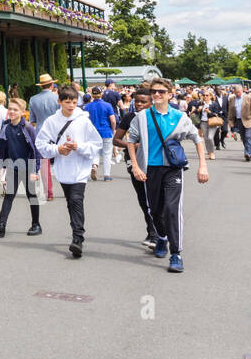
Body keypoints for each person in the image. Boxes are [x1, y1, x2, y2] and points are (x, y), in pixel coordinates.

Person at [125, 77, 208, 273]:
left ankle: (176, 253)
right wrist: (135, 166)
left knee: (172, 209)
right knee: (154, 211)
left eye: (161, 92)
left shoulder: (180, 117)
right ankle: (161, 237)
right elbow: (131, 141)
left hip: (172, 168)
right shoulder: (142, 117)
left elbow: (197, 138)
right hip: (150, 169)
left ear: (170, 95)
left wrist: (202, 165)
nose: (157, 94)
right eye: (154, 91)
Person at [34, 85, 102, 259]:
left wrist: (79, 146)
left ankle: (77, 238)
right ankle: (76, 233)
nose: (71, 105)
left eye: (73, 102)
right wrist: (58, 149)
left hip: (81, 167)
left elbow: (97, 143)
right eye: (67, 102)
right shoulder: (51, 121)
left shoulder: (83, 120)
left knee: (76, 199)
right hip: (63, 168)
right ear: (59, 102)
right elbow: (40, 144)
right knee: (70, 202)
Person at [114, 84, 160, 250]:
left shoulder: (156, 117)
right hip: (134, 161)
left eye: (143, 102)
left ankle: (159, 232)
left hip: (155, 161)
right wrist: (132, 145)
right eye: (137, 102)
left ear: (151, 102)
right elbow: (116, 140)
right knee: (143, 197)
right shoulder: (129, 117)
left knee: (155, 198)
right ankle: (152, 232)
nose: (139, 105)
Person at [0, 97, 42, 237]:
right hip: (13, 166)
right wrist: (0, 165)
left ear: (23, 112)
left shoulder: (28, 128)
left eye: (15, 110)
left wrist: (35, 170)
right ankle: (1, 226)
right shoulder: (5, 126)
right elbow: (1, 146)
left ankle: (36, 225)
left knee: (32, 196)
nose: (11, 111)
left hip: (28, 166)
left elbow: (35, 150)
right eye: (10, 109)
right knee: (9, 196)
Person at [29, 74, 60, 200]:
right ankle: (68, 187)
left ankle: (49, 193)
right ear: (52, 85)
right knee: (62, 160)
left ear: (41, 86)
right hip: (57, 132)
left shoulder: (33, 99)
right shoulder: (57, 98)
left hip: (41, 132)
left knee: (44, 164)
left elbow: (32, 120)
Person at [84, 86, 116, 181]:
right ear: (101, 94)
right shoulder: (107, 105)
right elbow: (113, 120)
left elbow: (85, 121)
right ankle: (106, 175)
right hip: (105, 131)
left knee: (95, 151)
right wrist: (113, 130)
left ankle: (94, 166)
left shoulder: (88, 106)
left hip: (93, 133)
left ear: (92, 95)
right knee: (107, 153)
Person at [227, 84, 251, 161]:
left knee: (248, 136)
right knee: (243, 138)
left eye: (239, 92)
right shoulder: (232, 99)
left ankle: (248, 153)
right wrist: (230, 121)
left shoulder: (249, 98)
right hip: (238, 120)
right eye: (236, 92)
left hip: (249, 120)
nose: (237, 94)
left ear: (242, 90)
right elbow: (230, 111)